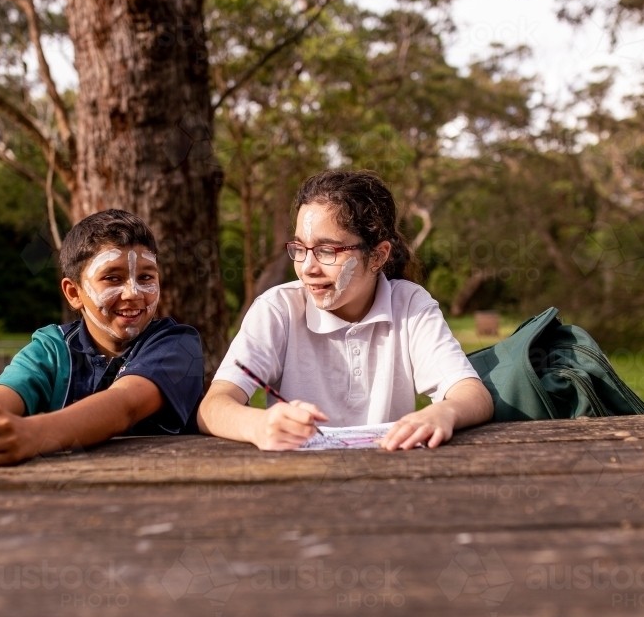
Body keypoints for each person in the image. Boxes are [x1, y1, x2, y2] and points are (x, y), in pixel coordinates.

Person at [197, 170, 493, 451]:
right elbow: (212, 407)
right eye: (299, 249)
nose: (308, 268)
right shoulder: (278, 309)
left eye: (327, 251)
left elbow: (473, 395)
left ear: (377, 256)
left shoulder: (410, 306)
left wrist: (443, 413)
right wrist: (259, 425)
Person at [0, 209, 204, 468]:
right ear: (73, 293)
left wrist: (34, 434)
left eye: (146, 277)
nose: (134, 292)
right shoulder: (52, 348)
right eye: (112, 277)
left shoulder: (176, 344)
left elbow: (124, 405)